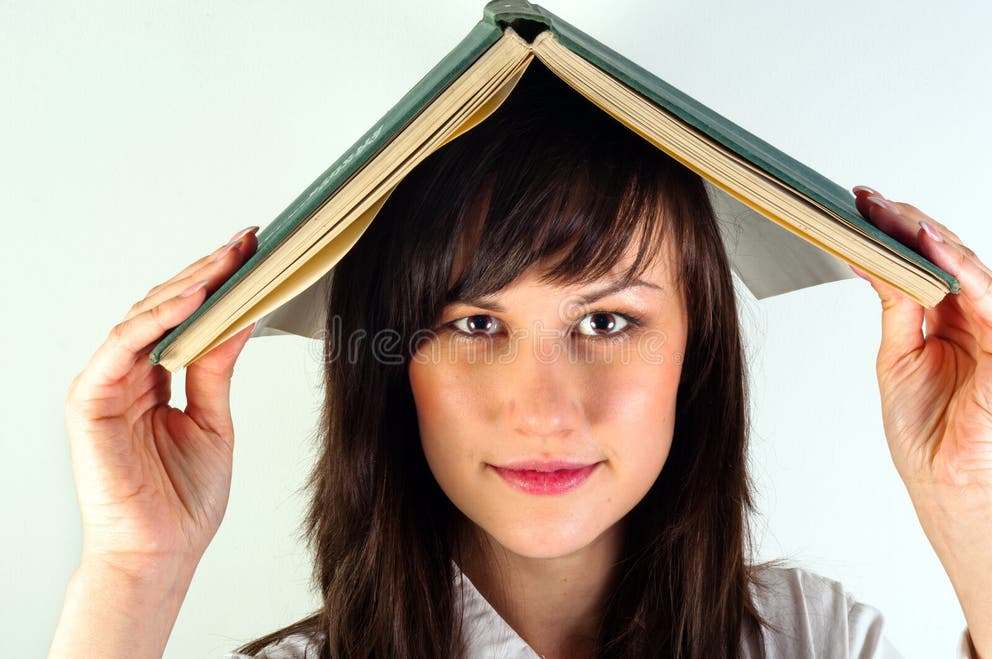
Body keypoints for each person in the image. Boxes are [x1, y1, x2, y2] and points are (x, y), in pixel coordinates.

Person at [48, 63, 989, 659]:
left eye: (610, 322)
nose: (544, 411)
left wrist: (973, 502)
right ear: (392, 367)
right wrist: (136, 570)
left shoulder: (811, 641)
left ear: (697, 350)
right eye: (473, 325)